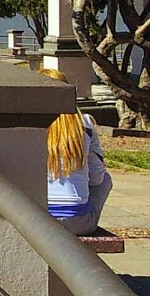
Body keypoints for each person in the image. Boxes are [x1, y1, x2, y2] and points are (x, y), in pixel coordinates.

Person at [38, 68, 112, 235]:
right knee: (106, 179)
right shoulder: (85, 123)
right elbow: (97, 178)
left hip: (38, 220)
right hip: (78, 222)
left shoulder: (29, 126)